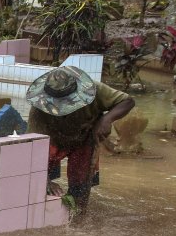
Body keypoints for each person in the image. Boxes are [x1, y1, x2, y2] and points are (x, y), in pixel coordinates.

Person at [25, 66, 134, 210]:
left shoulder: (95, 90)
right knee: (35, 182)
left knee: (80, 184)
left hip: (84, 137)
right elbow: (31, 147)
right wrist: (44, 179)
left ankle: (78, 216)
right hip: (53, 140)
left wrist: (107, 119)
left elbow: (127, 101)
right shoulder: (38, 109)